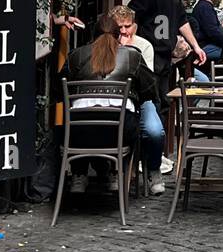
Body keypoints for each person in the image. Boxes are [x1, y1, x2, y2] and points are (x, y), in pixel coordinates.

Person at [64, 12, 158, 196]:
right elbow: (150, 90)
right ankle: (117, 174)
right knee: (127, 124)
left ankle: (79, 175)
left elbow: (60, 91)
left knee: (80, 118)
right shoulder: (132, 56)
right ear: (118, 35)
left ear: (93, 35)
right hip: (119, 133)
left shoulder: (76, 55)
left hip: (78, 133)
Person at [129, 0, 206, 111]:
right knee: (151, 106)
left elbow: (181, 19)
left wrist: (196, 47)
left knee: (165, 105)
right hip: (150, 57)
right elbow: (133, 14)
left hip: (167, 58)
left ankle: (165, 137)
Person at [108, 6, 167, 195]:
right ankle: (113, 171)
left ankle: (154, 169)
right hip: (113, 98)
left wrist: (128, 51)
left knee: (155, 131)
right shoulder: (105, 45)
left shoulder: (144, 46)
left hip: (140, 98)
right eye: (119, 27)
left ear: (135, 26)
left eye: (127, 26)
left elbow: (146, 80)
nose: (124, 31)